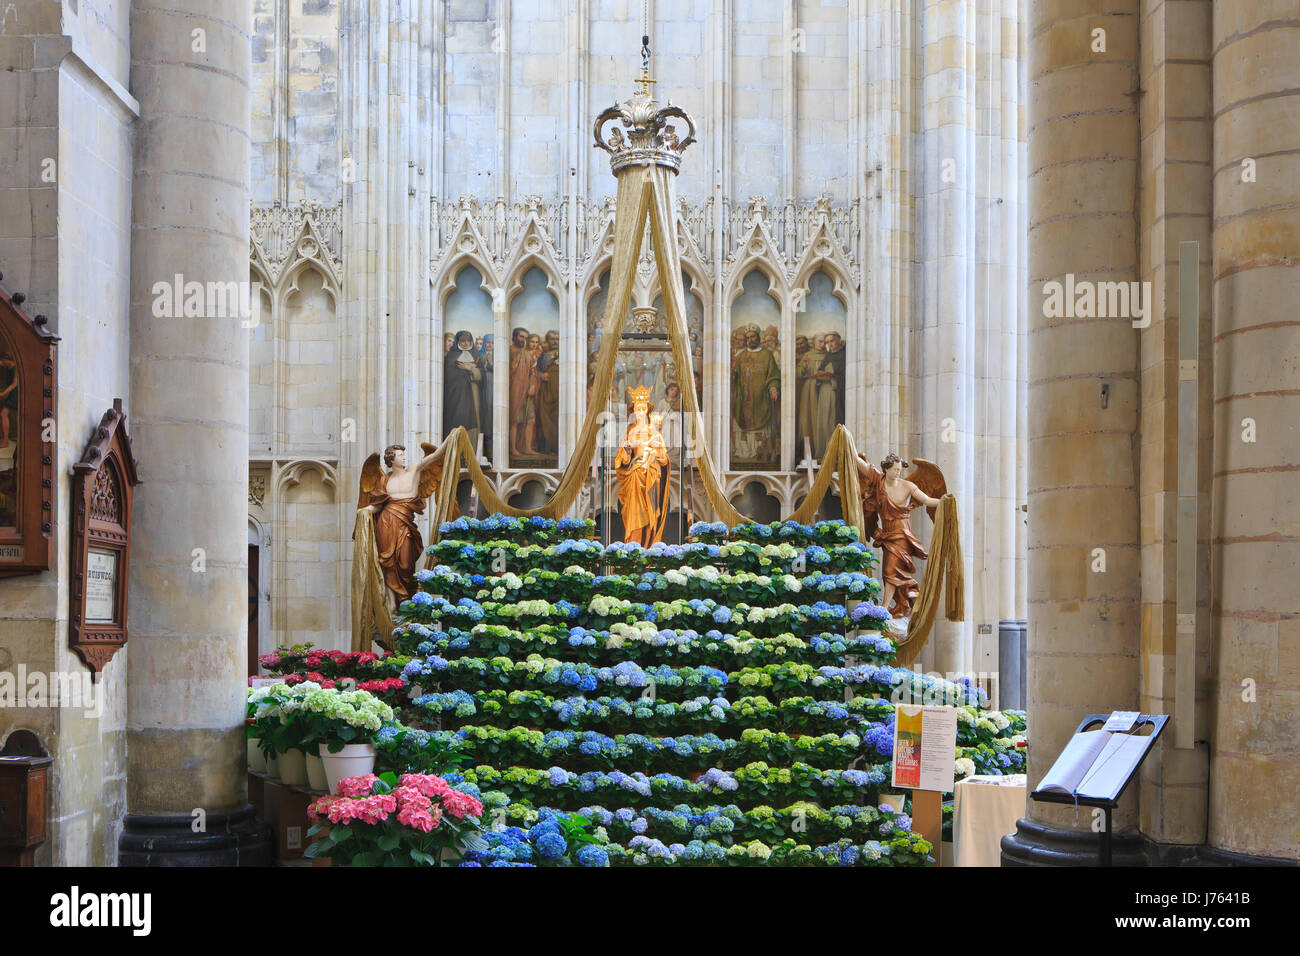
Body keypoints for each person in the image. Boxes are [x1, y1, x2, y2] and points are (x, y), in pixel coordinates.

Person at [856, 453, 941, 618]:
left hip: (902, 533)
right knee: (891, 571)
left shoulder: (908, 486)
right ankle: (910, 601)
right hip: (887, 533)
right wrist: (846, 441)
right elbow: (859, 463)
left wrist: (944, 501)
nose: (897, 473)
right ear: (886, 469)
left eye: (899, 470)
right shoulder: (878, 480)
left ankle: (884, 607)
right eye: (895, 469)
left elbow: (927, 500)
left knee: (891, 570)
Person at [616, 387, 670, 548]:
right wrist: (627, 450)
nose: (640, 412)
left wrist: (654, 453)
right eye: (637, 409)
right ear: (633, 411)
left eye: (643, 408)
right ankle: (633, 544)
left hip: (650, 476)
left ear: (647, 410)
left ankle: (647, 545)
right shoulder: (630, 430)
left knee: (648, 511)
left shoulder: (654, 431)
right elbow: (623, 459)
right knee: (633, 511)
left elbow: (664, 459)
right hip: (634, 474)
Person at [731, 324, 780, 465]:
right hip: (743, 399)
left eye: (752, 337)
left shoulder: (767, 355)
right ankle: (744, 452)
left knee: (762, 424)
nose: (750, 340)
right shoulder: (741, 356)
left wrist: (773, 387)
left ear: (758, 337)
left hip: (760, 399)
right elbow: (734, 375)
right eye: (747, 338)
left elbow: (773, 374)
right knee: (743, 423)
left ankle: (760, 451)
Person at [443, 330, 483, 449]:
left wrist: (471, 369)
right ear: (458, 342)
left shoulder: (476, 355)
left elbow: (482, 376)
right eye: (463, 341)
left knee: (472, 421)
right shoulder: (452, 355)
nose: (466, 343)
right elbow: (449, 375)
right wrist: (465, 369)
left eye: (468, 341)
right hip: (456, 395)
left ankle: (471, 450)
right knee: (457, 420)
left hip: (473, 394)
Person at [813, 330, 846, 457]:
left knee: (833, 420)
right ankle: (823, 450)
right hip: (824, 391)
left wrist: (832, 378)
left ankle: (834, 452)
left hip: (836, 392)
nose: (830, 344)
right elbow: (821, 369)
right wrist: (820, 375)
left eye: (832, 341)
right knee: (824, 421)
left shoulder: (844, 354)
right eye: (827, 342)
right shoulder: (829, 355)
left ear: (838, 339)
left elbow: (844, 376)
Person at [536, 329, 560, 457]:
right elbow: (536, 370)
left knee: (557, 419)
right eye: (552, 339)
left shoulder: (563, 355)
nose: (555, 341)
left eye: (557, 339)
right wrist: (541, 375)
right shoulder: (543, 356)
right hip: (546, 391)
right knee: (544, 418)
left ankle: (557, 448)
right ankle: (545, 448)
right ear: (547, 340)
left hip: (559, 392)